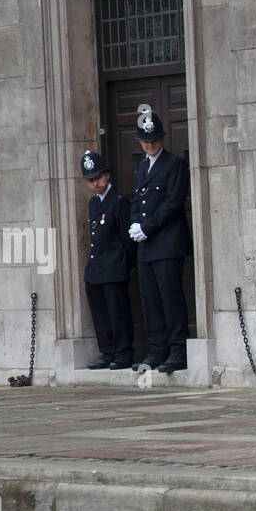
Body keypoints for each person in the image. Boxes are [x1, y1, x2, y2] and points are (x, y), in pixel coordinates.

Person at [129, 108, 192, 373]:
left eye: (154, 139)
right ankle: (157, 349)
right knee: (150, 299)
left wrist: (147, 226)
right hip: (146, 246)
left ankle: (177, 350)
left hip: (167, 243)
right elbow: (138, 200)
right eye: (145, 140)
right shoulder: (142, 167)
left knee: (170, 298)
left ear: (162, 138)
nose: (150, 144)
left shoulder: (174, 164)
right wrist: (133, 223)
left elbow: (173, 202)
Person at [80, 150, 135, 370]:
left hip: (115, 266)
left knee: (118, 312)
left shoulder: (119, 202)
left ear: (107, 176)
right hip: (97, 267)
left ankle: (123, 352)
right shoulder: (94, 204)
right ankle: (108, 351)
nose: (96, 184)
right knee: (101, 312)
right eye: (91, 180)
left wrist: (124, 264)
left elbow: (127, 239)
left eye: (99, 178)